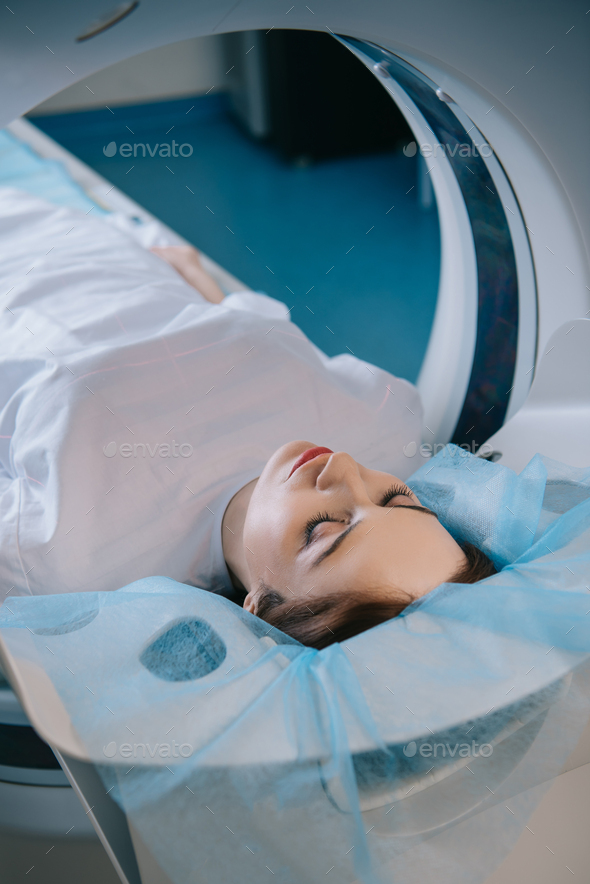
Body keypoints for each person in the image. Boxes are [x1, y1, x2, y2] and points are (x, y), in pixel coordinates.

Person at [153, 246, 498, 650]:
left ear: (259, 608)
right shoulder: (383, 420)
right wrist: (189, 269)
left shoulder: (93, 548)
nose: (345, 466)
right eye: (397, 499)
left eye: (323, 529)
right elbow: (252, 332)